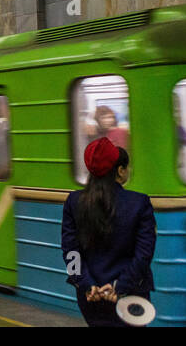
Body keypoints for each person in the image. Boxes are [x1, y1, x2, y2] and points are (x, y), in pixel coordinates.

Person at [61, 138, 156, 326]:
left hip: (90, 297)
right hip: (130, 294)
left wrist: (85, 284)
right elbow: (144, 254)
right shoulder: (139, 203)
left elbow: (70, 252)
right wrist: (118, 287)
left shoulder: (74, 201)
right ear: (120, 170)